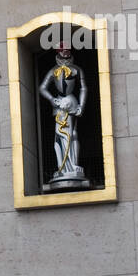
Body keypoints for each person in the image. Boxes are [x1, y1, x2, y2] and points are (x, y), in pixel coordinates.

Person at [38, 43, 89, 188]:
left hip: (71, 102)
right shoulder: (53, 70)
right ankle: (61, 166)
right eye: (63, 51)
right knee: (59, 135)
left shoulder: (76, 69)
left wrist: (81, 105)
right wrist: (52, 99)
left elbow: (83, 88)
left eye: (67, 51)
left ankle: (74, 164)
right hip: (59, 104)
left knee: (73, 133)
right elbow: (42, 88)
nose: (65, 54)